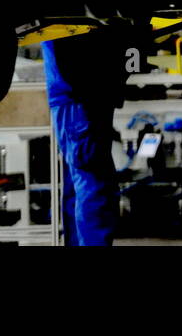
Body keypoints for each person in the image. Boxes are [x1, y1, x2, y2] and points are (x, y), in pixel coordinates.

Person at [44, 27, 145, 246]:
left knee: (84, 181)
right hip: (80, 100)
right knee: (93, 183)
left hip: (82, 99)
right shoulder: (72, 17)